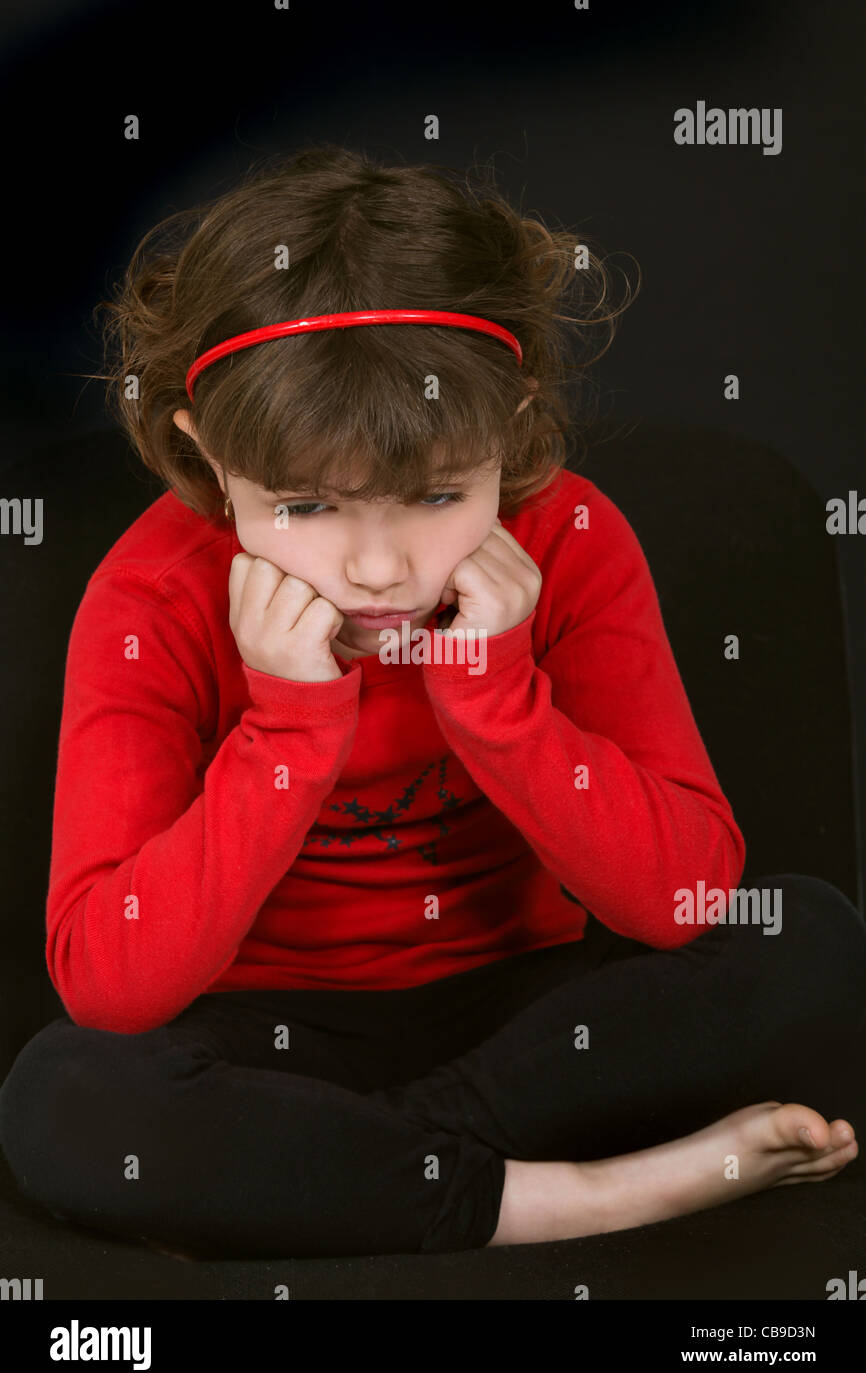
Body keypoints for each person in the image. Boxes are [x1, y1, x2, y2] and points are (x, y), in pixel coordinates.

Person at [0, 145, 862, 1262]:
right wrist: (287, 728)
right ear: (206, 454)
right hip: (266, 1036)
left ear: (508, 425)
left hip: (530, 1017)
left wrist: (495, 698)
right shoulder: (151, 592)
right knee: (68, 1095)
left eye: (438, 496)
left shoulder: (572, 538)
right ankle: (581, 1195)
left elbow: (683, 899)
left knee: (807, 939)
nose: (376, 569)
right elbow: (113, 984)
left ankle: (356, 1169)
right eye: (306, 505)